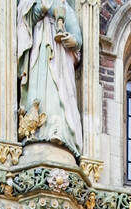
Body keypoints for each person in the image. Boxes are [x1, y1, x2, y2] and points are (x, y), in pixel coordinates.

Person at [17, 0, 83, 157]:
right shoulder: (32, 2)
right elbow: (24, 21)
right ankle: (36, 132)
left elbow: (77, 38)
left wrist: (72, 41)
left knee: (60, 93)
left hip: (61, 58)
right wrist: (41, 9)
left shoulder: (66, 8)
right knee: (38, 88)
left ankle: (59, 131)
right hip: (39, 50)